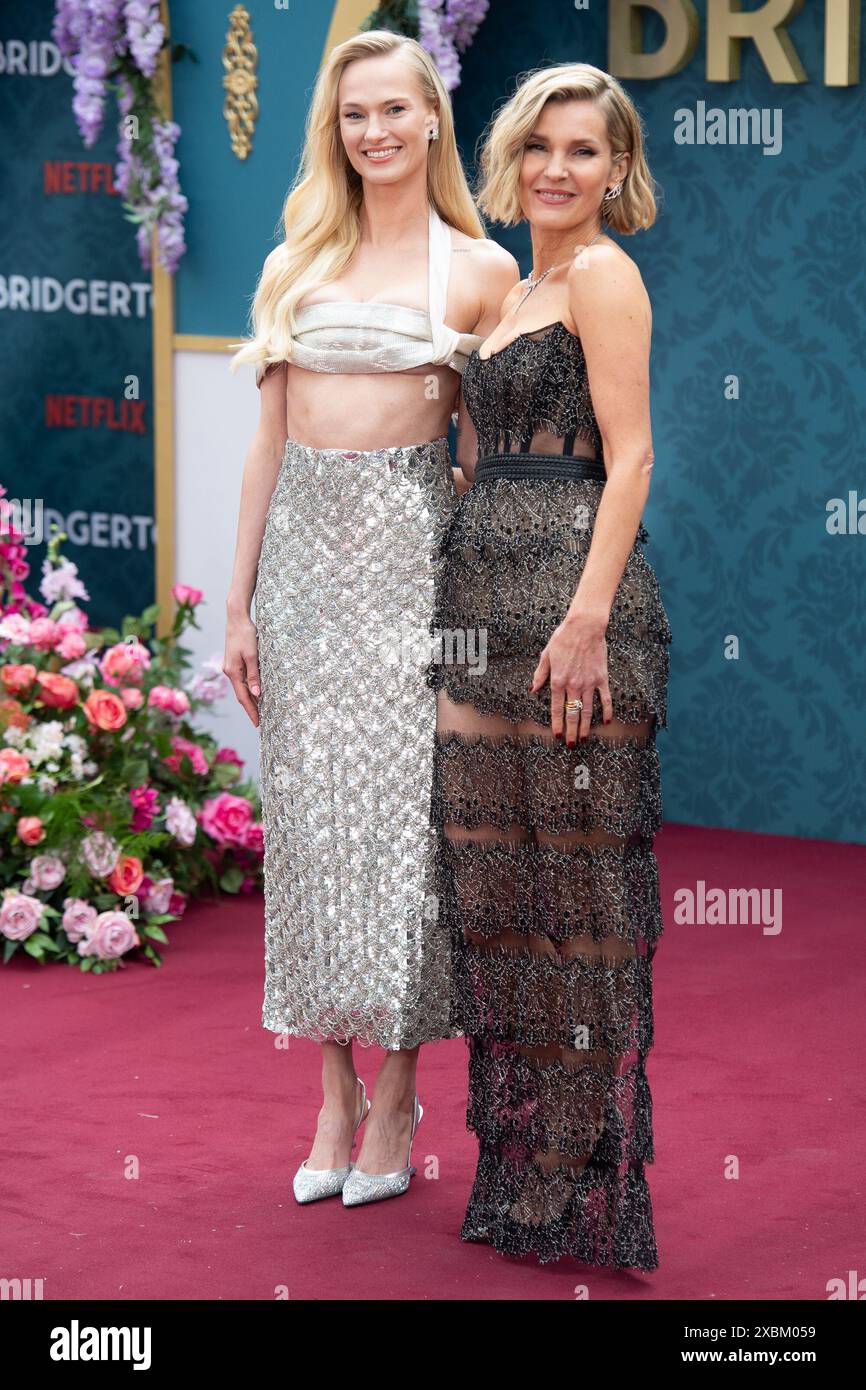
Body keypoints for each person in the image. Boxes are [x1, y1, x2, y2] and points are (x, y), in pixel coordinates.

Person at [224, 31, 518, 1208]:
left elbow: (487, 463)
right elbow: (265, 444)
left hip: (416, 579)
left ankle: (399, 1089)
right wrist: (237, 602)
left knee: (404, 838)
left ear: (433, 119)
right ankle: (333, 1090)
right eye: (354, 116)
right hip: (302, 575)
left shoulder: (478, 271)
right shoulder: (298, 256)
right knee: (309, 830)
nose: (374, 132)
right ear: (333, 130)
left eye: (394, 110)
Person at [428, 63, 672, 1268]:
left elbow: (627, 460)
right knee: (492, 902)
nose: (557, 169)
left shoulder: (602, 275)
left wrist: (584, 621)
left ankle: (579, 1160)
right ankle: (520, 1153)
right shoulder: (508, 290)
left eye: (583, 150)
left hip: (577, 613)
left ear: (615, 170)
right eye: (539, 147)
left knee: (576, 904)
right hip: (477, 606)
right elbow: (471, 466)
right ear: (511, 160)